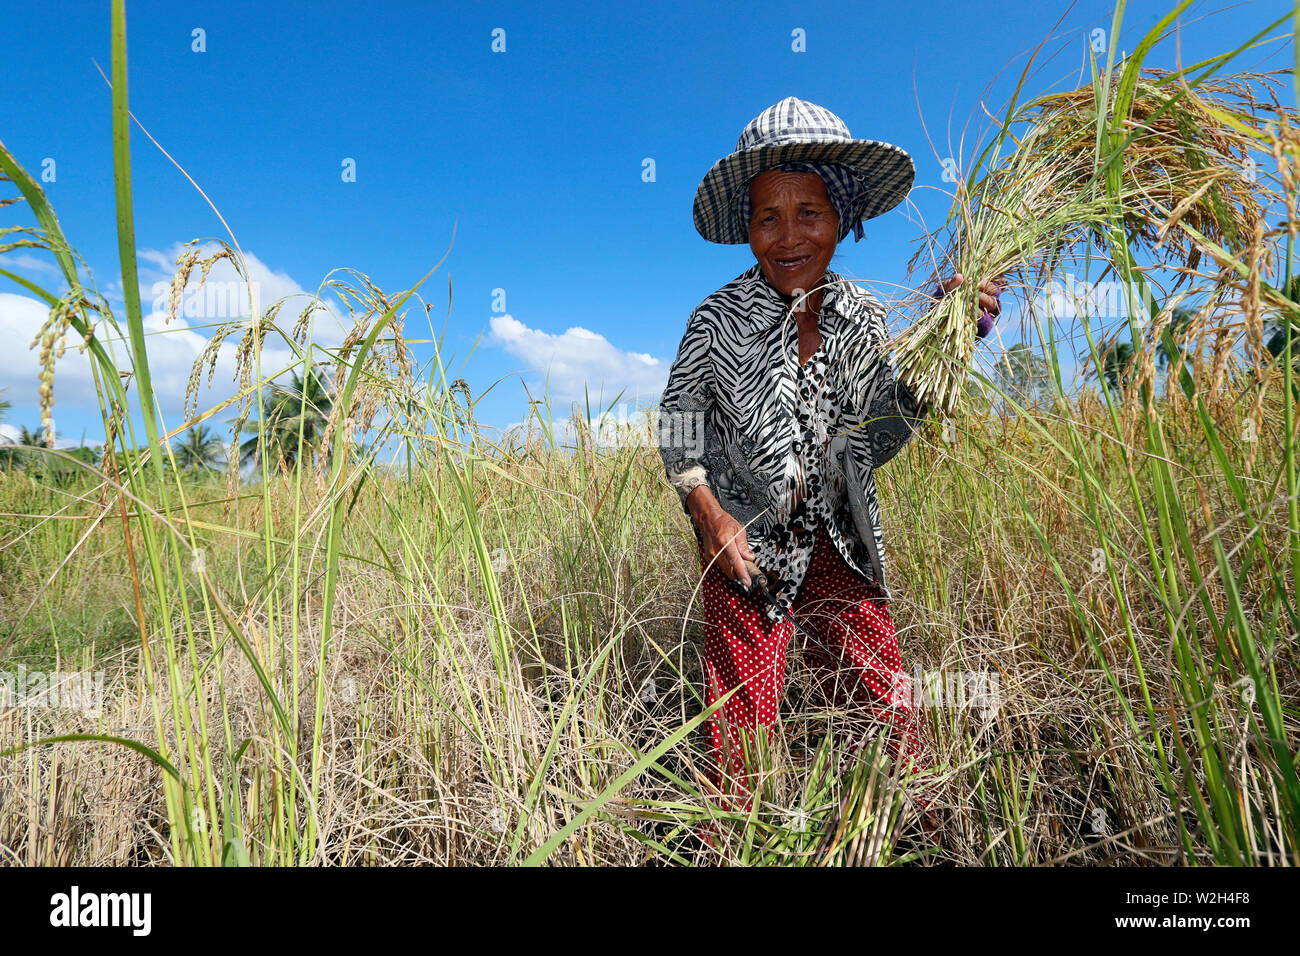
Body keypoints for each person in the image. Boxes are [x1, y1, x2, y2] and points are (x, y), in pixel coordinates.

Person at [659, 96, 1002, 824]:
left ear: (842, 218)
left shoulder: (863, 316)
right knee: (742, 731)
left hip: (842, 543)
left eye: (808, 212)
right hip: (745, 547)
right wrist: (708, 512)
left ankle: (908, 831)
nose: (787, 237)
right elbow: (679, 426)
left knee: (883, 710)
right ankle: (742, 839)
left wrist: (947, 340)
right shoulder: (714, 321)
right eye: (767, 217)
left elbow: (876, 437)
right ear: (747, 228)